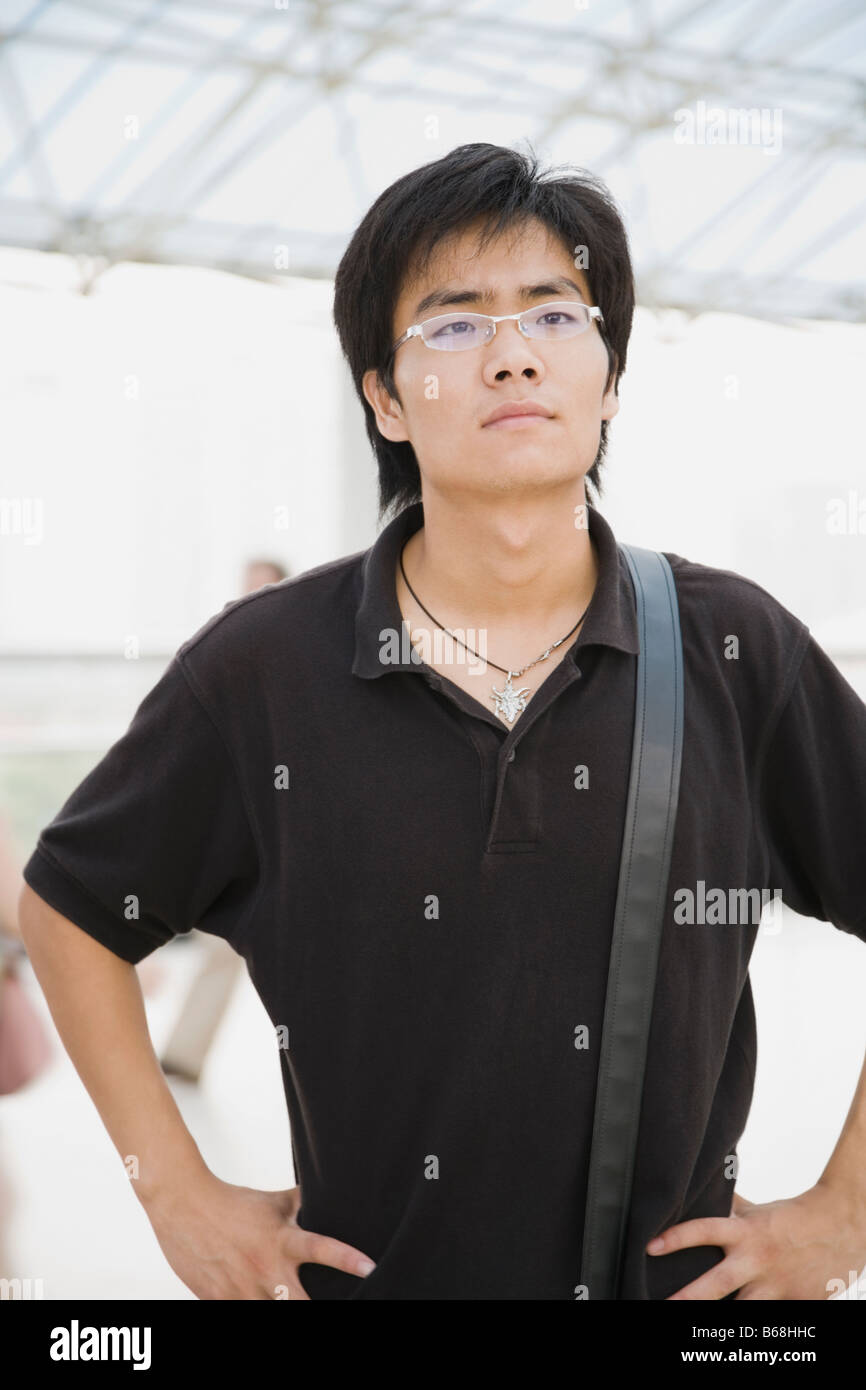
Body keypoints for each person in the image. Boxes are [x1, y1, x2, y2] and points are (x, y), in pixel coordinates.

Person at [18, 142, 866, 1302]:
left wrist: (847, 1212)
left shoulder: (733, 650)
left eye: (555, 315)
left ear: (608, 378)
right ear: (382, 396)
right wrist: (174, 1192)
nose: (511, 355)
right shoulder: (264, 667)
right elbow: (69, 910)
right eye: (453, 325)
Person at [159, 556, 291, 1083]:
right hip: (244, 822)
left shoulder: (300, 652)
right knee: (220, 943)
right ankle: (186, 1053)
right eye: (246, 587)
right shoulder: (225, 651)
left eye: (262, 587)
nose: (249, 597)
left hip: (294, 824)